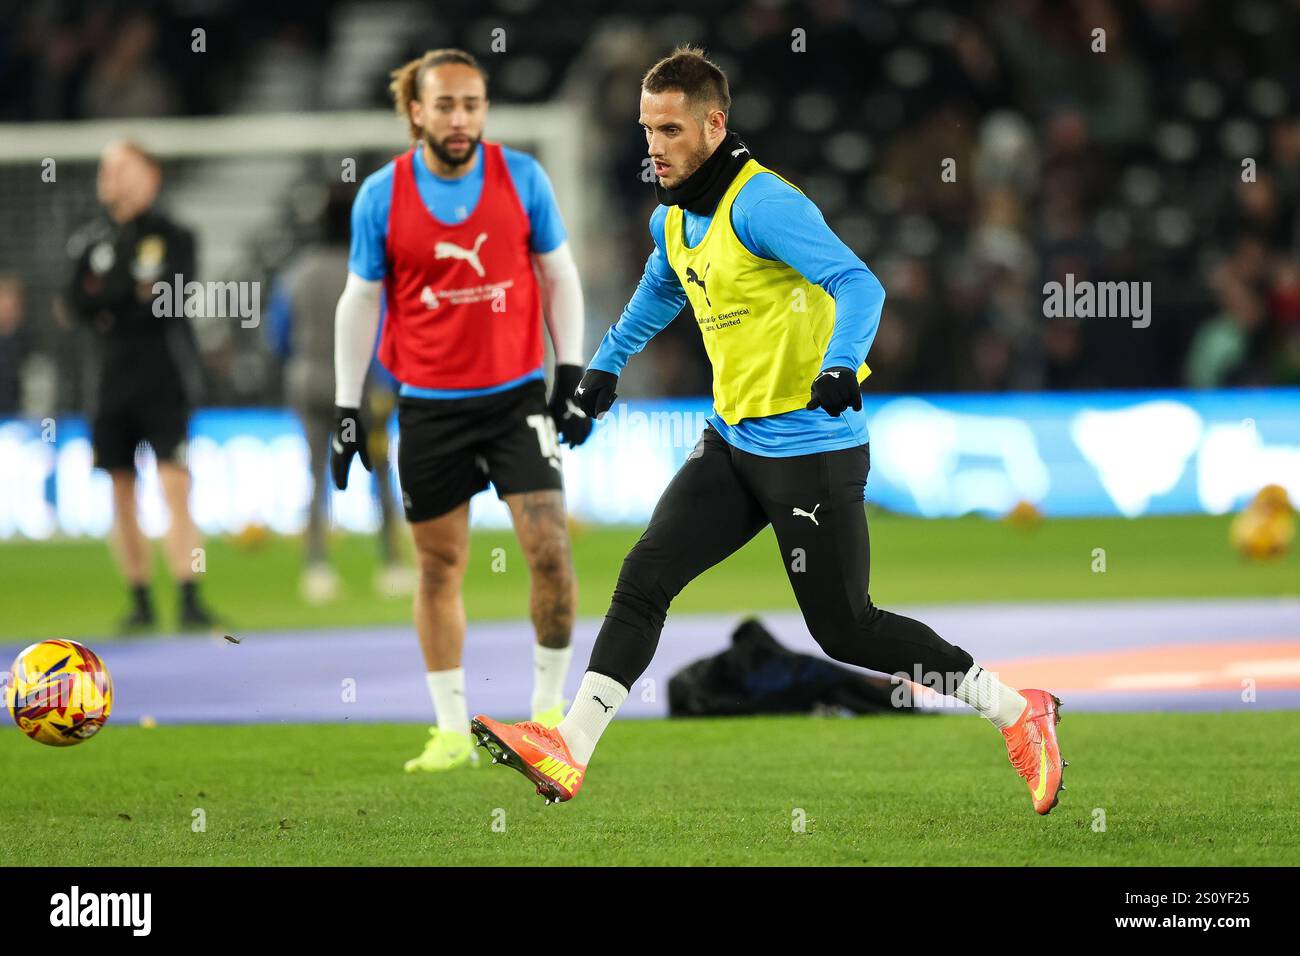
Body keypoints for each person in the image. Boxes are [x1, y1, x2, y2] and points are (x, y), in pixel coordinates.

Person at [472, 46, 1068, 815]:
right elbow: (662, 288)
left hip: (811, 448)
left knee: (847, 630)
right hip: (733, 443)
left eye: (671, 129)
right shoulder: (674, 217)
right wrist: (604, 367)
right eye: (647, 129)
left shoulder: (763, 204)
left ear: (715, 126)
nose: (653, 146)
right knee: (645, 575)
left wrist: (841, 365)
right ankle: (570, 747)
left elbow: (859, 282)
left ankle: (1021, 713)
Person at [331, 49, 591, 773]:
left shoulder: (522, 178)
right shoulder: (382, 196)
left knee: (550, 550)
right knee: (438, 567)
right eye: (445, 105)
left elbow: (559, 274)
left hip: (514, 399)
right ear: (415, 110)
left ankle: (548, 719)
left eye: (472, 104)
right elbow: (360, 302)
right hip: (429, 410)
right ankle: (450, 730)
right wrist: (347, 408)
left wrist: (568, 371)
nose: (460, 118)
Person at [65, 140, 217, 633]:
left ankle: (190, 595)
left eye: (125, 169)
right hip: (109, 384)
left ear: (151, 176)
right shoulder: (88, 240)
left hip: (164, 379)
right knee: (120, 489)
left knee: (176, 485)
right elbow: (72, 306)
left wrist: (111, 301)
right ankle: (140, 599)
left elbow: (170, 298)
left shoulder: (176, 235)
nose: (114, 180)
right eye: (107, 170)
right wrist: (127, 295)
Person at [266, 186, 412, 604]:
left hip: (309, 382)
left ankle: (316, 570)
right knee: (381, 475)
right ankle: (393, 566)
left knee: (316, 476)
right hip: (364, 387)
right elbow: (390, 332)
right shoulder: (369, 273)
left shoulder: (295, 273)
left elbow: (277, 336)